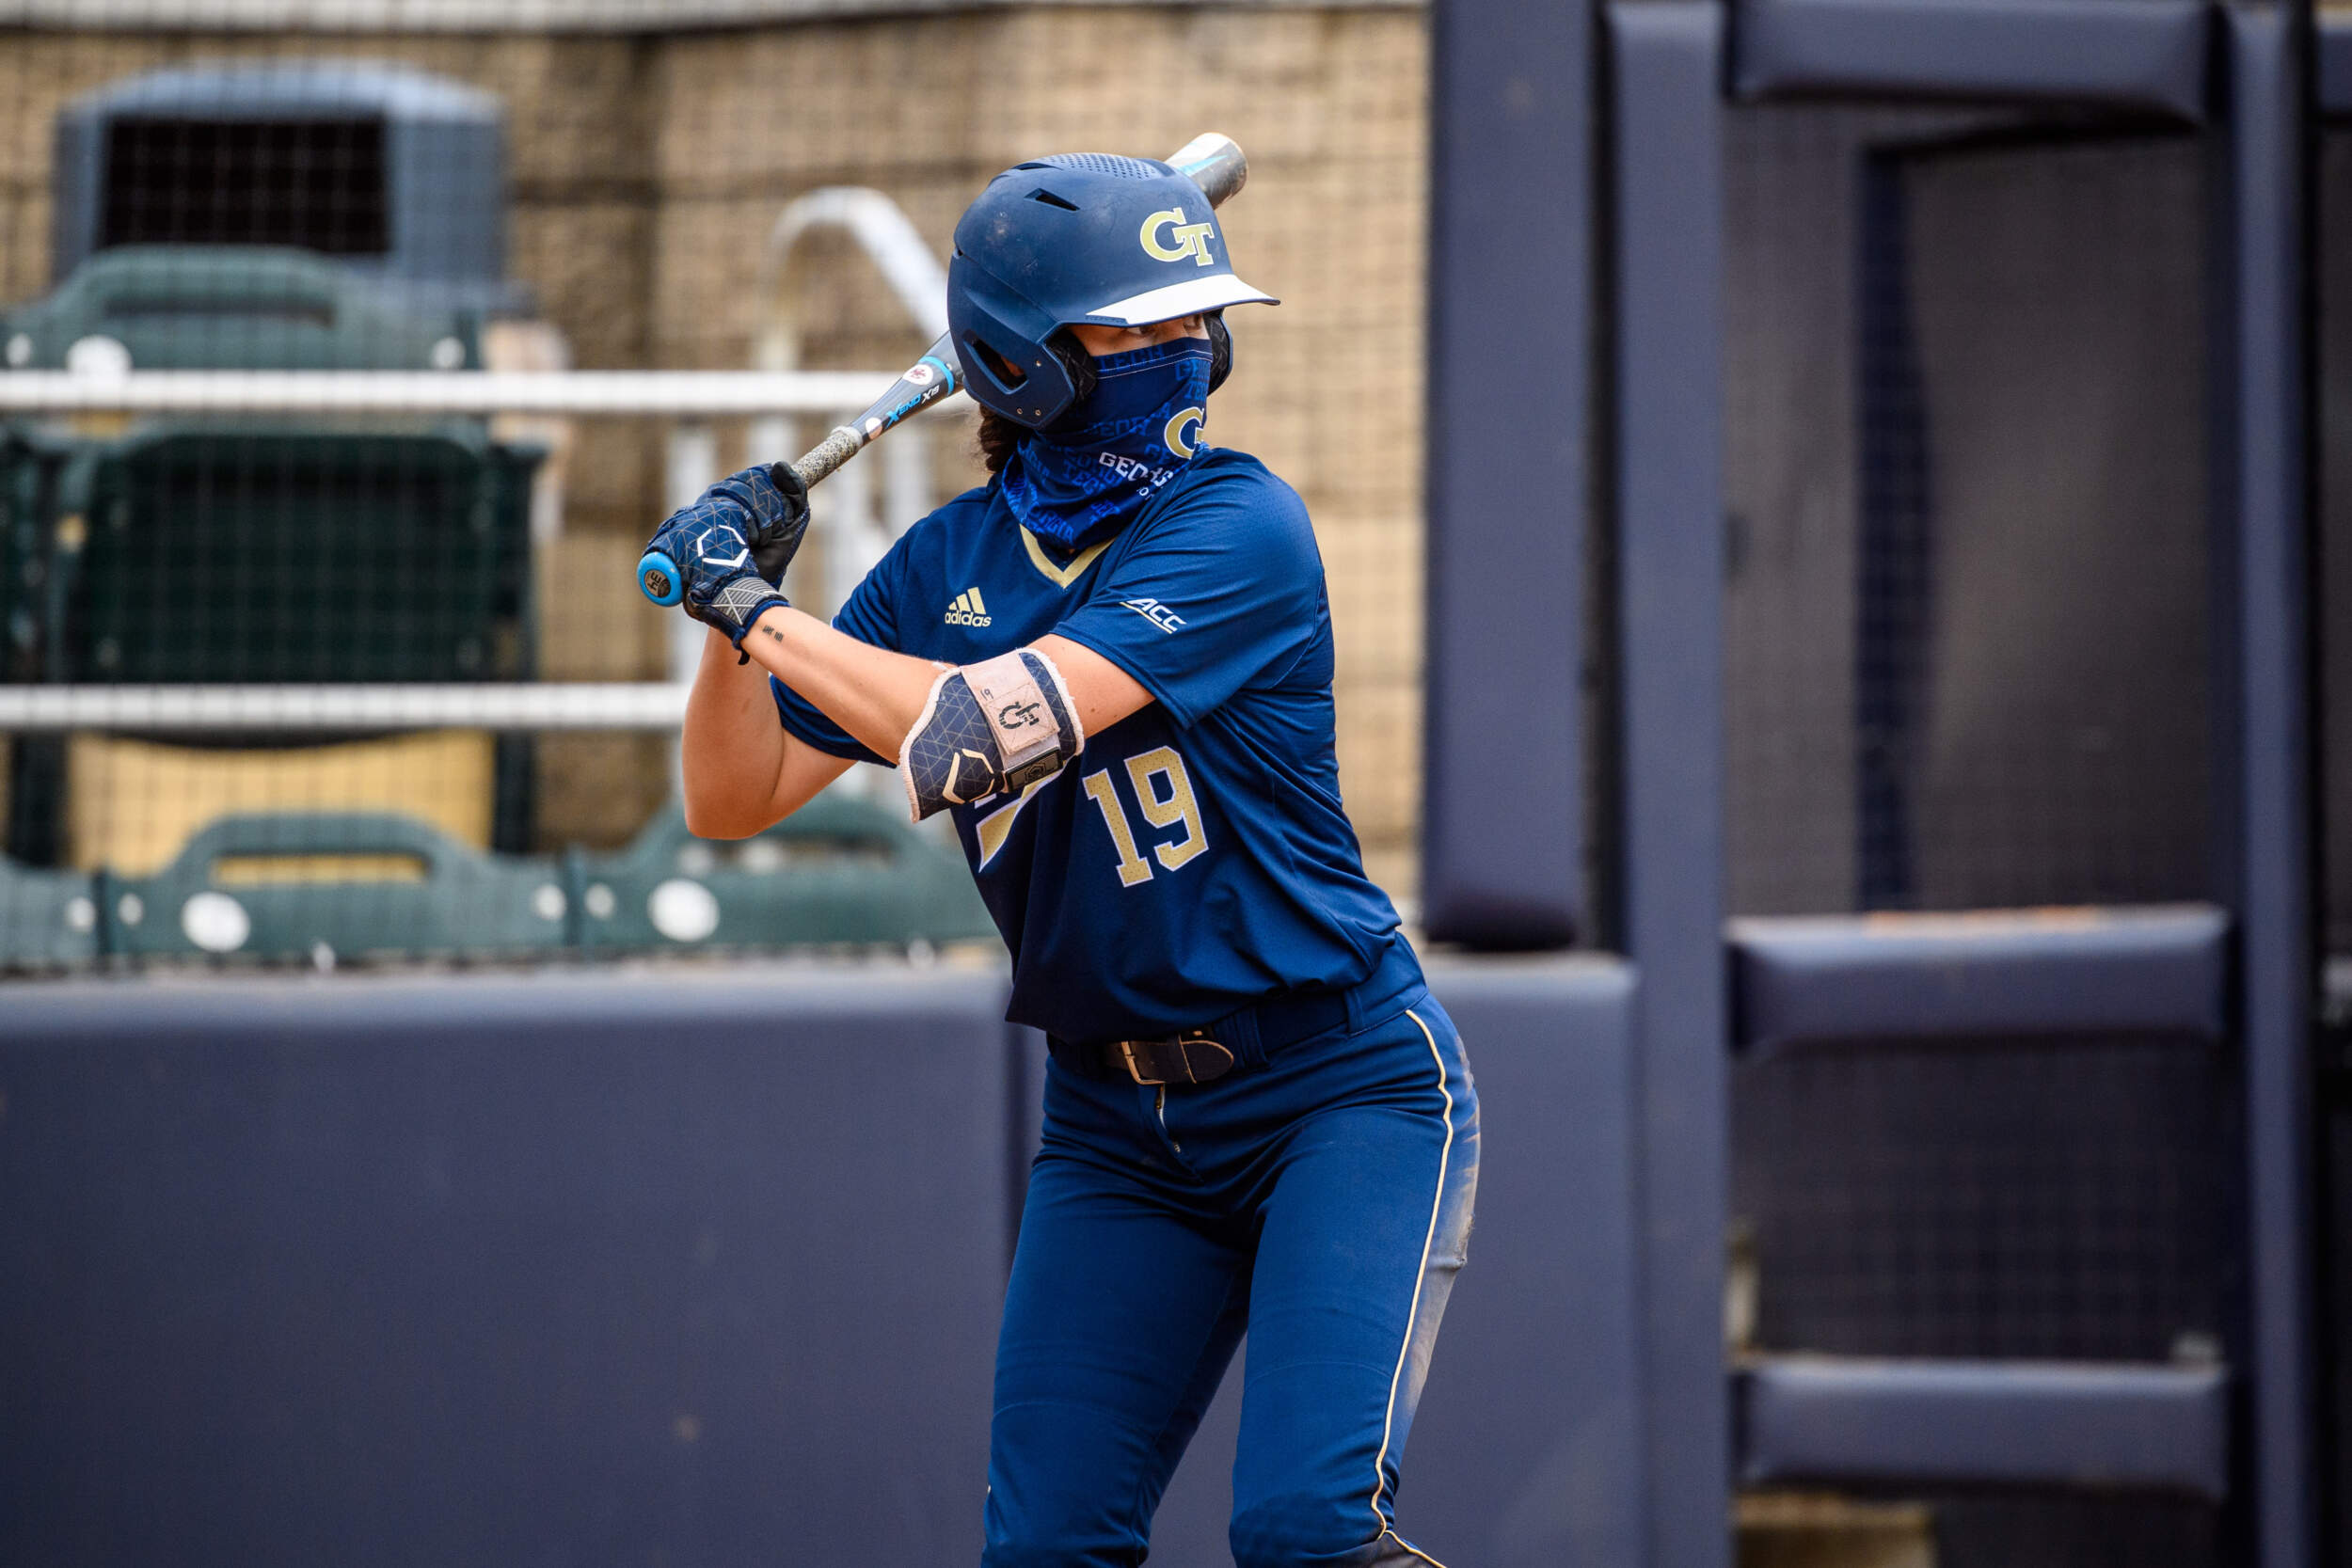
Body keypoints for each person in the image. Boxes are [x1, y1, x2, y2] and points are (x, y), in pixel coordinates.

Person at [647, 151, 1478, 1568]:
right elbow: (734, 794)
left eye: (1189, 322)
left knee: (1306, 1536)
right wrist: (742, 623)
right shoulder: (944, 562)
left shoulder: (1236, 525)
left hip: (1335, 1086)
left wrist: (751, 603)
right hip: (1114, 1131)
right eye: (1134, 328)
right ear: (1025, 367)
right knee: (1045, 1552)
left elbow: (974, 733)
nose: (1183, 354)